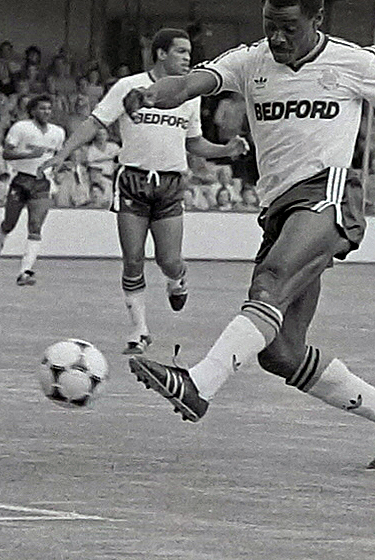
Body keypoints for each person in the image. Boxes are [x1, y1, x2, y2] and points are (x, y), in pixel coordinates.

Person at [122, 0, 375, 471]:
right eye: (270, 24)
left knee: (269, 282)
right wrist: (159, 94)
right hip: (280, 210)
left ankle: (198, 384)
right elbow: (194, 82)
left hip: (330, 195)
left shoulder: (353, 62)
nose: (278, 36)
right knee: (280, 351)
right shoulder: (252, 61)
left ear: (317, 19)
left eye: (289, 26)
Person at [42, 27, 248, 355]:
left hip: (170, 183)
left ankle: (177, 278)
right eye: (181, 51)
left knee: (169, 260)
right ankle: (139, 330)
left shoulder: (188, 95)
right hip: (133, 181)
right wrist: (62, 154)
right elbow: (95, 123)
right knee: (133, 259)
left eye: (189, 53)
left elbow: (194, 143)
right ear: (161, 54)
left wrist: (227, 149)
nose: (187, 58)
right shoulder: (129, 87)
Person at [0, 94, 67, 285]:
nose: (46, 112)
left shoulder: (57, 132)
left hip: (42, 182)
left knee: (35, 225)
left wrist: (60, 165)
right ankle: (0, 240)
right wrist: (29, 154)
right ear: (32, 110)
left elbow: (58, 155)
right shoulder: (21, 128)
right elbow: (6, 153)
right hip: (22, 180)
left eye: (49, 108)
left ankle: (26, 271)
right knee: (10, 222)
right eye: (42, 108)